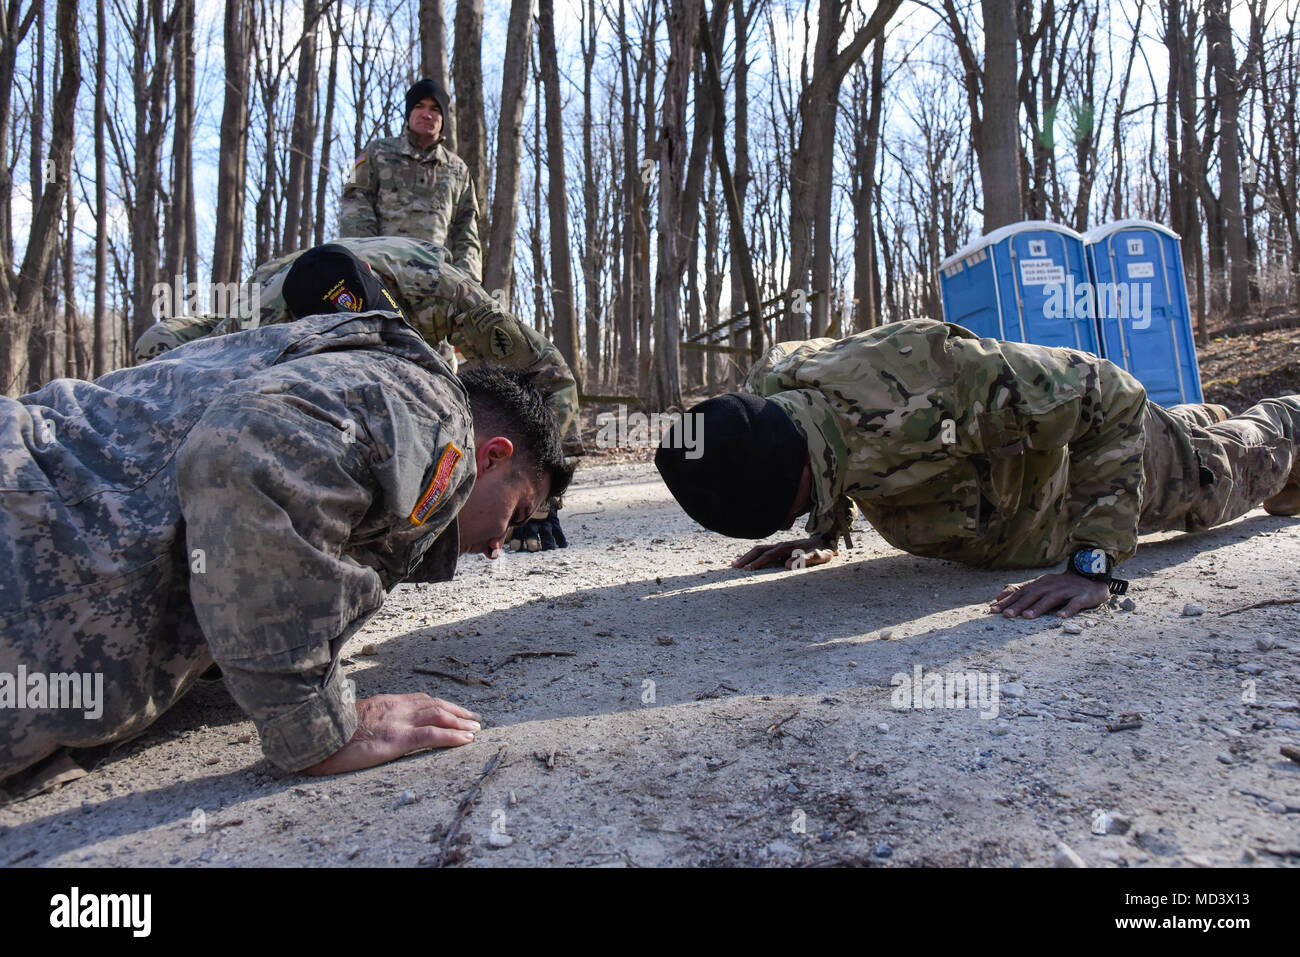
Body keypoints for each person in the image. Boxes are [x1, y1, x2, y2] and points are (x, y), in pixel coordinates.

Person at [0, 249, 572, 787]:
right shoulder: (434, 407)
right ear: (492, 455)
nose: (501, 545)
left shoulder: (333, 364)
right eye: (518, 513)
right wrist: (318, 724)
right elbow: (248, 443)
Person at [654, 319, 1300, 620]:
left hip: (1098, 484)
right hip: (1034, 458)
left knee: (1233, 475)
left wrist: (1093, 563)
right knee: (1188, 429)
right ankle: (1197, 419)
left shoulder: (932, 376)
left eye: (799, 503)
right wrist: (825, 531)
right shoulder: (774, 390)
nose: (799, 511)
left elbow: (1112, 396)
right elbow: (804, 436)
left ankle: (1285, 415)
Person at [133, 238, 581, 553]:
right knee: (158, 347)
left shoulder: (445, 293)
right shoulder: (263, 330)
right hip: (268, 310)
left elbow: (551, 373)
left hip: (339, 309)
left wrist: (540, 497)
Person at [339, 78, 480, 280]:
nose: (427, 114)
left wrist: (466, 282)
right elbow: (354, 210)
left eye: (435, 109)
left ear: (443, 118)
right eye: (419, 106)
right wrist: (363, 267)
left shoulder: (457, 170)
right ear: (409, 113)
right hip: (381, 275)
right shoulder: (377, 153)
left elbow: (467, 232)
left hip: (436, 283)